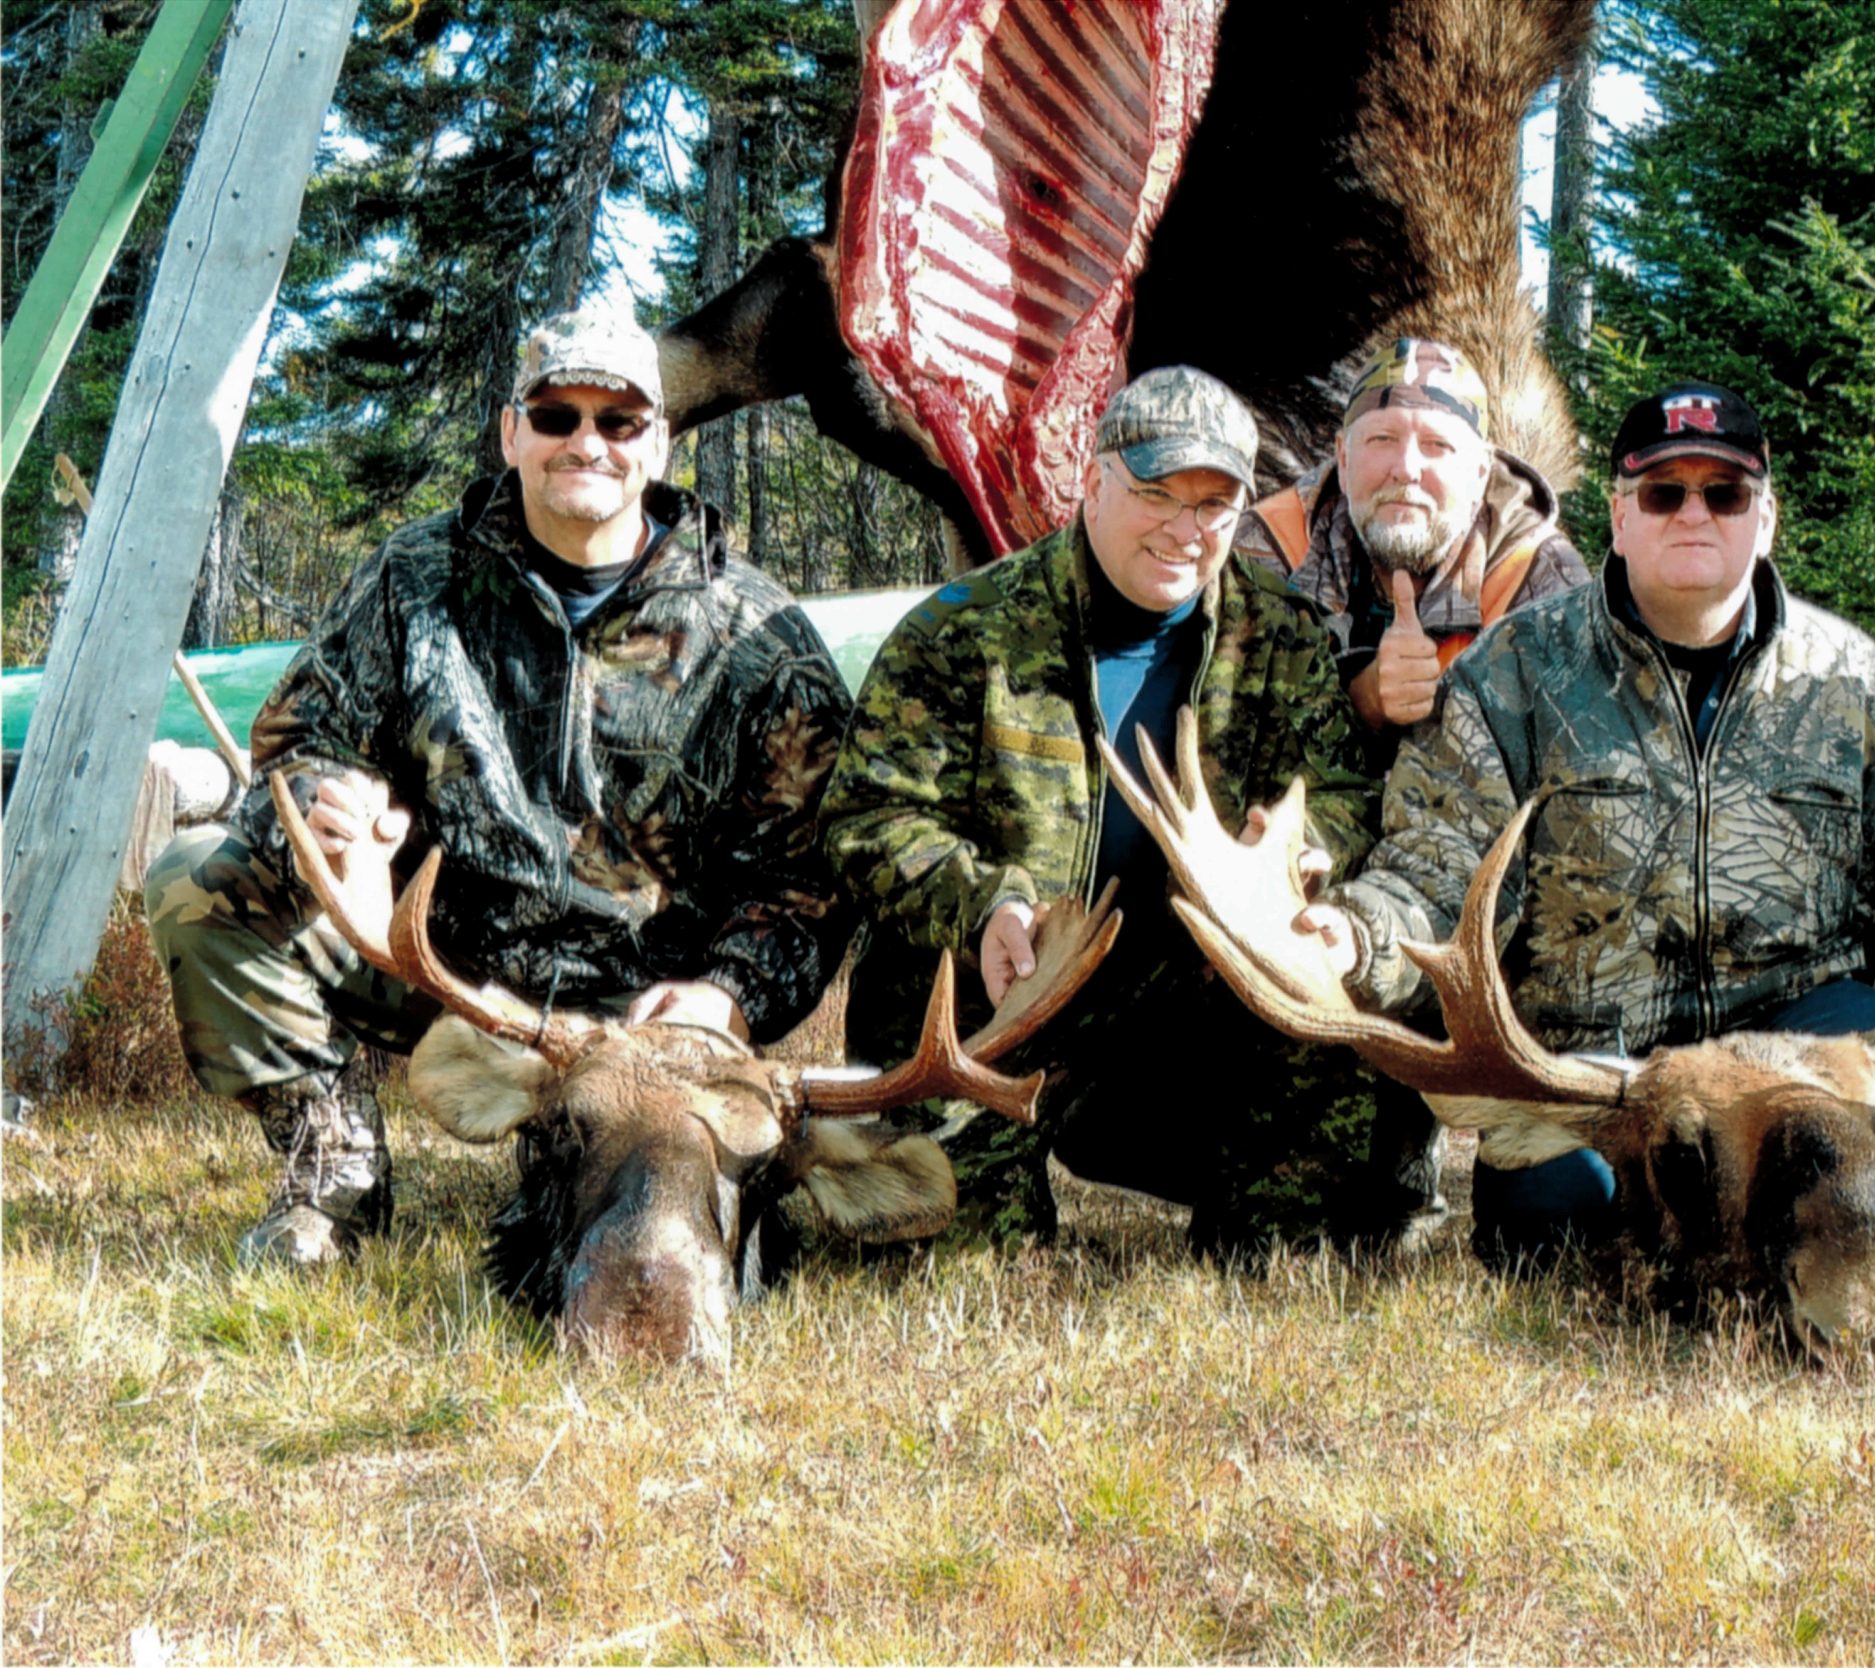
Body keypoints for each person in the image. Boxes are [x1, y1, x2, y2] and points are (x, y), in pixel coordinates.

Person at [1296, 381, 1875, 1263]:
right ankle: (1794, 1210)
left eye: (1724, 493)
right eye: (1662, 492)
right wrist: (1358, 934)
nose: (1694, 514)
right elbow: (1435, 872)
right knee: (1553, 1222)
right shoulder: (1512, 678)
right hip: (1599, 1064)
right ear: (1618, 515)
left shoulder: (1855, 685)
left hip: (1794, 1044)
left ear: (1766, 518)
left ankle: (1785, 1209)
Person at [145, 303, 856, 1265]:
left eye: (618, 422)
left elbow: (807, 884)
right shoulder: (416, 579)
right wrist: (325, 814)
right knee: (197, 880)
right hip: (452, 976)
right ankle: (336, 1169)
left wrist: (722, 997)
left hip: (646, 1025)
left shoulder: (756, 636)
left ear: (659, 444)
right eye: (558, 416)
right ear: (512, 430)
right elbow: (296, 741)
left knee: (645, 1229)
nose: (587, 443)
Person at [823, 366, 1441, 1256]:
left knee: (1323, 1179)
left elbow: (1343, 798)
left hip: (1184, 999)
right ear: (1095, 478)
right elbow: (869, 818)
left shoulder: (1282, 637)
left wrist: (1300, 853)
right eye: (1155, 493)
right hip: (995, 1002)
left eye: (1213, 506)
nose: (1184, 531)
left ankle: (1254, 1238)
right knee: (954, 1256)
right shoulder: (963, 632)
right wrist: (982, 903)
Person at [1232, 338, 1587, 757]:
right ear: (1342, 460)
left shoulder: (1538, 578)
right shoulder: (1268, 547)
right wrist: (1365, 700)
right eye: (1383, 439)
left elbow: (1572, 758)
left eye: (1438, 446)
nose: (1406, 469)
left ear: (1479, 474)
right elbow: (1229, 730)